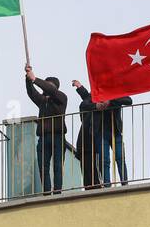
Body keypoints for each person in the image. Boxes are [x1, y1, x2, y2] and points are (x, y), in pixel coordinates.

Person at [72, 80, 129, 188]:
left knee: (120, 158)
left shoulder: (115, 93)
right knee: (105, 160)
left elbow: (128, 100)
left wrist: (110, 101)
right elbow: (85, 103)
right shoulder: (96, 96)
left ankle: (124, 183)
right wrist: (96, 105)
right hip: (101, 133)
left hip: (115, 132)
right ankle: (107, 185)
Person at [25, 66, 68, 195]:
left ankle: (57, 190)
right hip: (43, 137)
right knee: (43, 166)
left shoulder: (61, 98)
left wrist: (35, 79)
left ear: (55, 88)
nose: (45, 88)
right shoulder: (43, 101)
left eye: (48, 86)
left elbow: (51, 90)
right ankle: (47, 191)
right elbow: (31, 93)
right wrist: (28, 78)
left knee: (57, 165)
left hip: (58, 137)